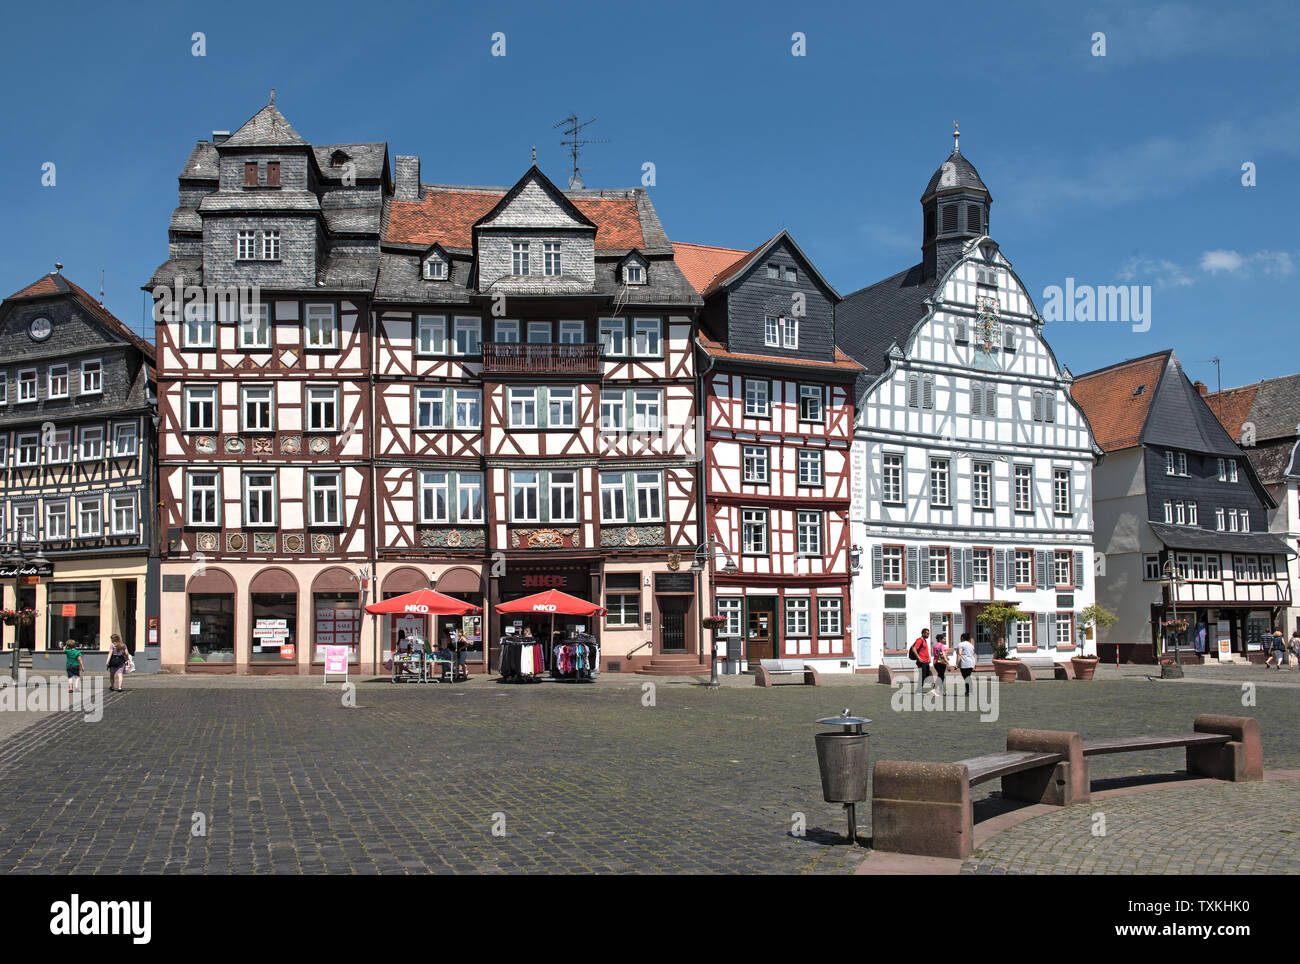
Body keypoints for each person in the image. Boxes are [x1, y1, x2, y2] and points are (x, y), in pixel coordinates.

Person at [909, 628, 932, 693]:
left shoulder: (924, 641)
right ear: (923, 633)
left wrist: (929, 657)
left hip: (926, 661)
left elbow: (925, 650)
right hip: (921, 662)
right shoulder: (919, 640)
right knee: (922, 676)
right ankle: (918, 690)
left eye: (928, 634)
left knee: (927, 675)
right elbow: (914, 649)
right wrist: (919, 658)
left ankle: (919, 689)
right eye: (927, 633)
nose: (928, 635)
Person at [957, 632, 977, 696]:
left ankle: (969, 691)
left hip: (964, 663)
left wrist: (957, 663)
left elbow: (959, 654)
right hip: (971, 662)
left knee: (966, 677)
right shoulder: (971, 645)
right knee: (967, 677)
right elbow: (973, 654)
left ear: (962, 638)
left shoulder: (961, 644)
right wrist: (974, 664)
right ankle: (968, 691)